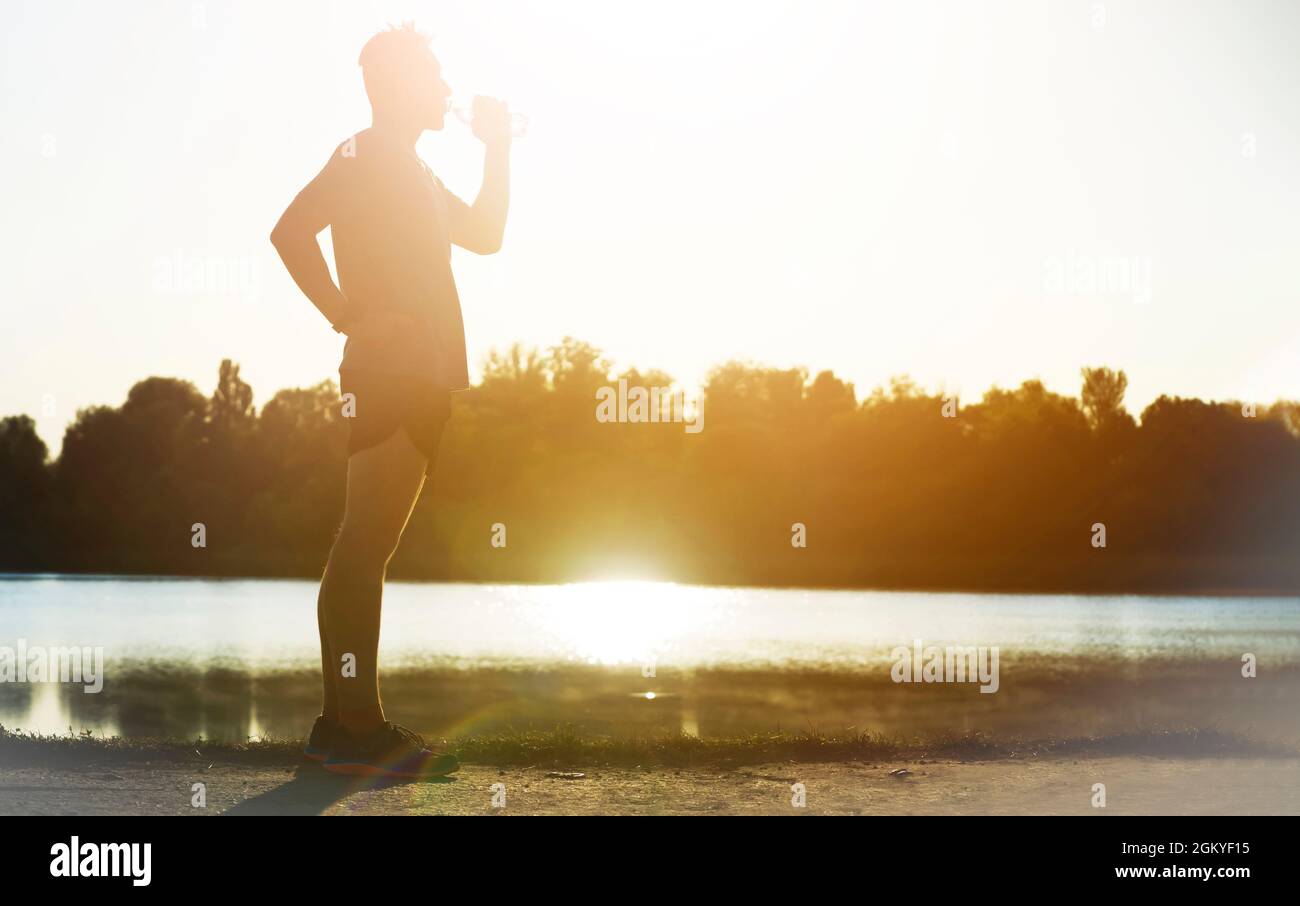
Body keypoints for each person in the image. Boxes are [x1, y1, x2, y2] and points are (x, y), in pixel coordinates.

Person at [270, 22, 511, 778]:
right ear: (396, 85)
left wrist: (498, 148)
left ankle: (340, 726)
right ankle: (357, 728)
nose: (445, 90)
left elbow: (486, 234)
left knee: (363, 546)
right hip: (391, 373)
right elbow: (289, 233)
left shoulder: (412, 169)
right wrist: (348, 315)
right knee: (362, 546)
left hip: (425, 376)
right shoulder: (364, 153)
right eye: (433, 77)